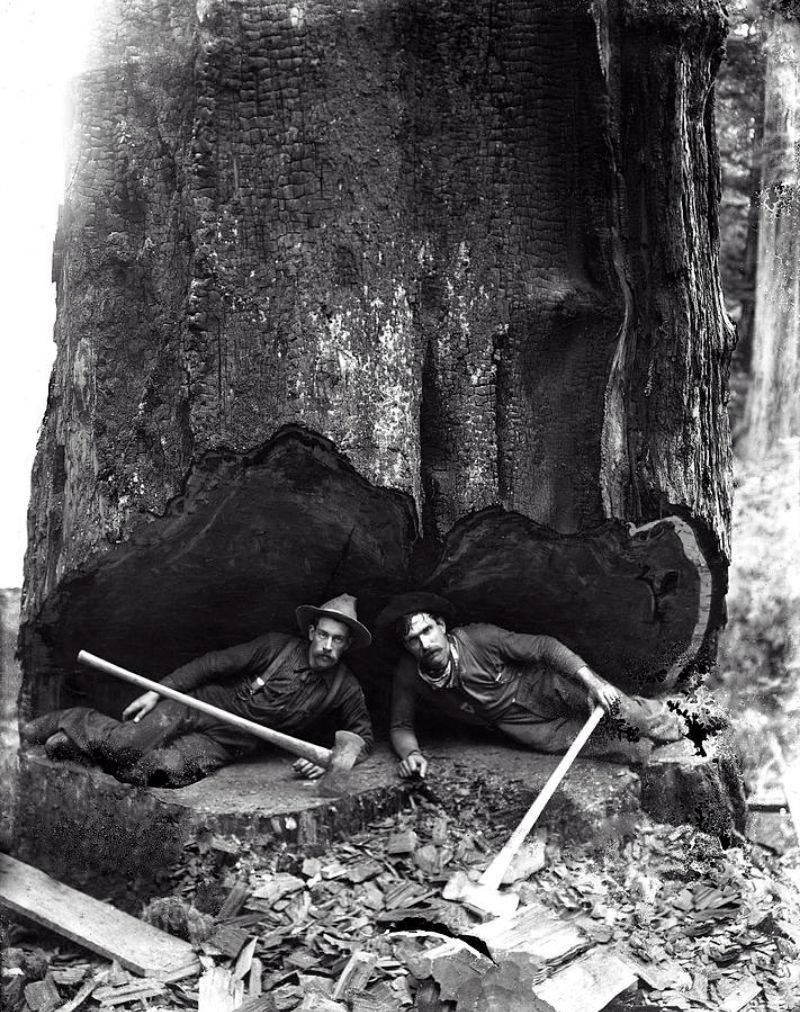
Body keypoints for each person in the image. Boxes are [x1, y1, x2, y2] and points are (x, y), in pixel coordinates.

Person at [21, 594, 374, 788]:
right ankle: (69, 719)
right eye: (323, 635)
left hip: (227, 743)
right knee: (126, 744)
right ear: (312, 632)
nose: (327, 646)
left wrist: (332, 760)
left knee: (158, 772)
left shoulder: (345, 688)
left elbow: (364, 738)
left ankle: (74, 747)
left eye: (338, 640)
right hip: (194, 706)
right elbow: (210, 665)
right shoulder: (275, 647)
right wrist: (158, 692)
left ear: (347, 645)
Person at [376, 592, 684, 779]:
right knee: (614, 747)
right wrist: (410, 754)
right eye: (413, 640)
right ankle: (655, 755)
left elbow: (544, 647)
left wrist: (591, 683)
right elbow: (400, 725)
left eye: (428, 631)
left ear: (441, 626)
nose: (425, 643)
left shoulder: (479, 638)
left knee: (629, 714)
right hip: (522, 726)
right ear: (406, 647)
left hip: (548, 687)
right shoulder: (409, 674)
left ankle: (685, 720)